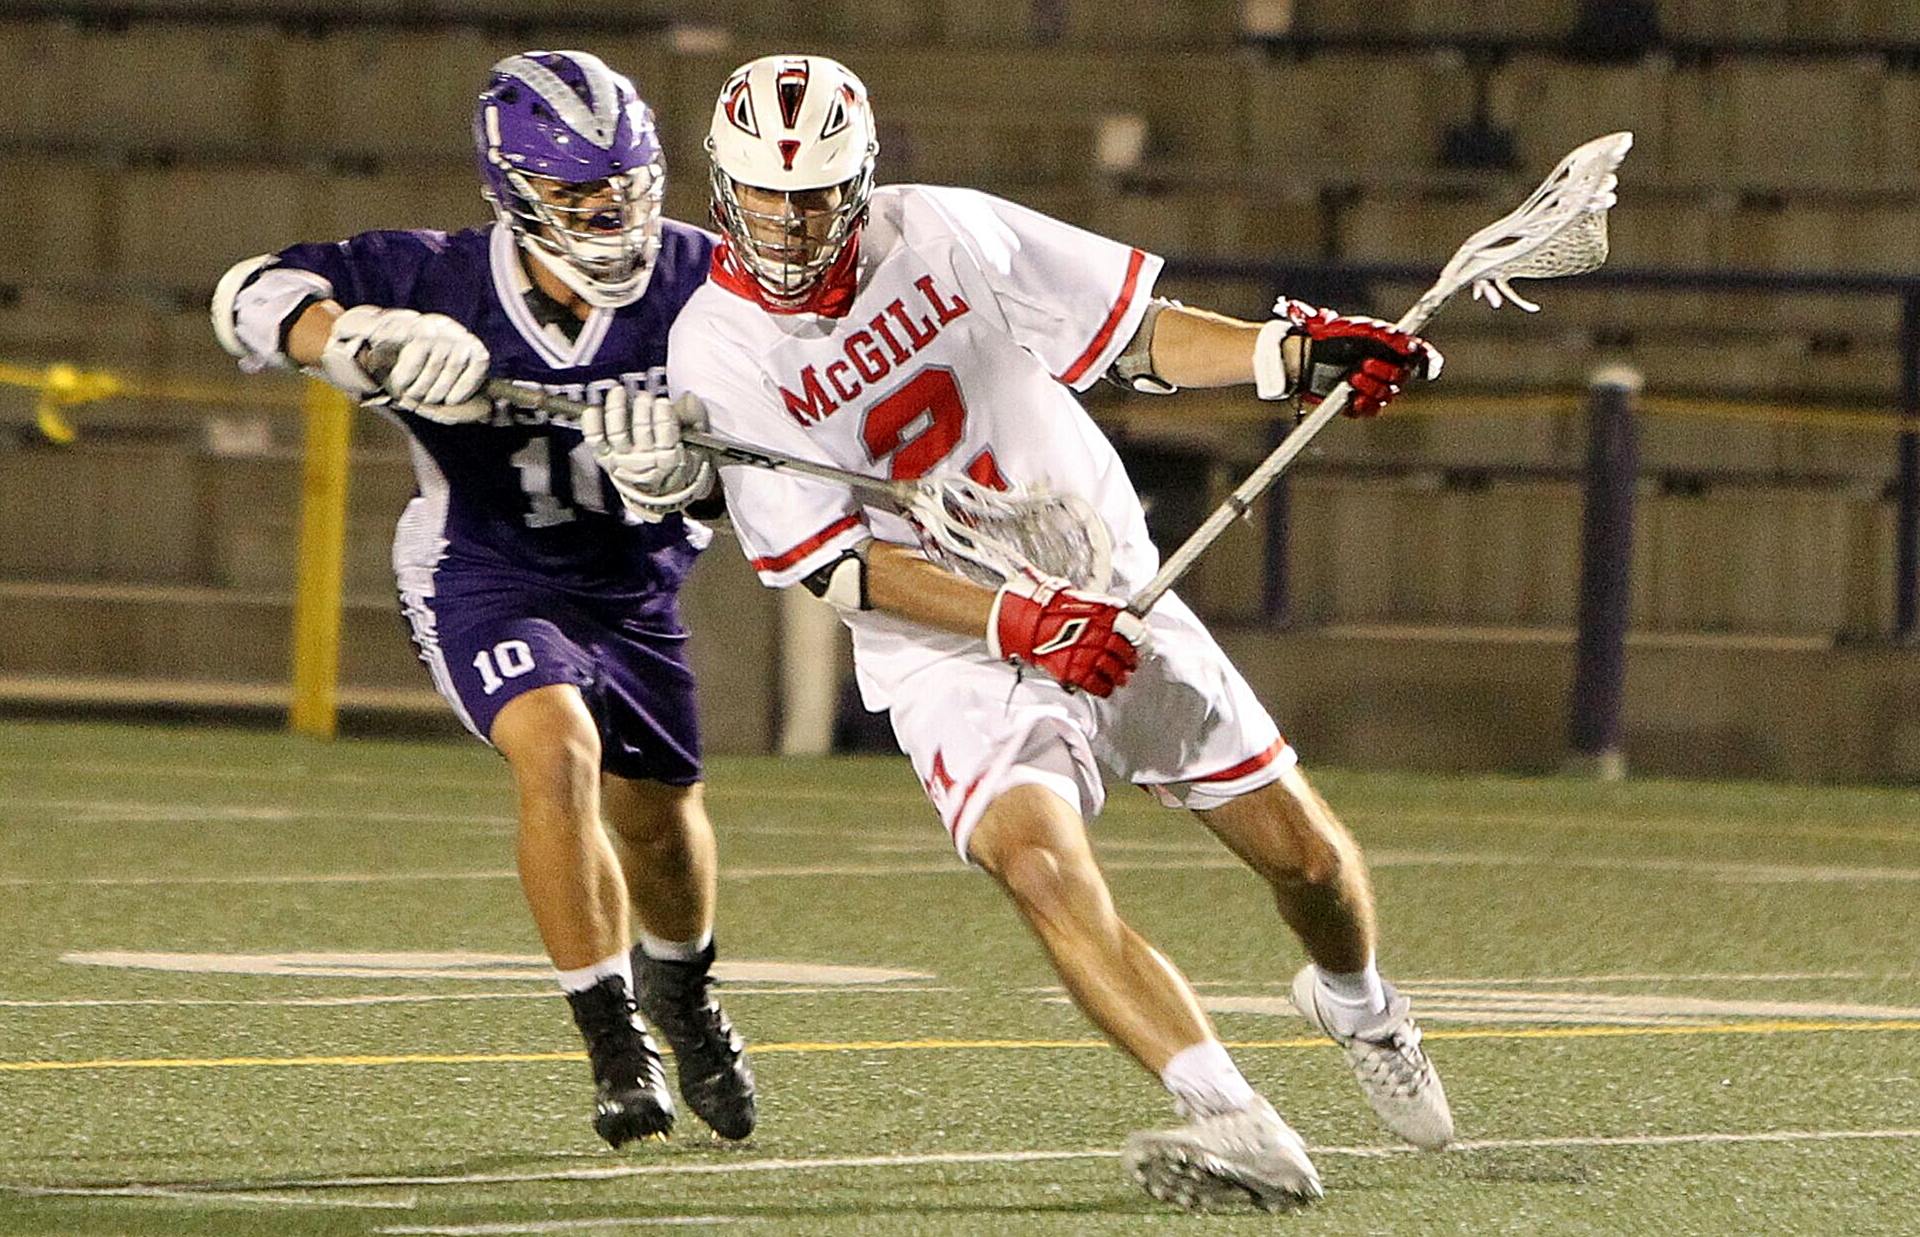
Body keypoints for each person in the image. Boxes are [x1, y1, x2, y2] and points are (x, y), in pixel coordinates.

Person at [595, 53, 1454, 1210]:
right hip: (954, 645)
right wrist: (1018, 623)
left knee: (1308, 862)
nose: (788, 224)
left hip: (1102, 584)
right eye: (764, 194)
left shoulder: (947, 229)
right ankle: (1234, 1117)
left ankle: (1358, 1004)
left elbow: (1134, 336)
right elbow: (832, 563)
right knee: (1039, 864)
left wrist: (1288, 356)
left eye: (812, 196)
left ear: (859, 185)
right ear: (723, 186)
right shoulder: (718, 344)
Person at [210, 50, 754, 1147]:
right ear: (511, 194)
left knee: (658, 829)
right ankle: (612, 1041)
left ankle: (683, 992)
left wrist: (708, 478)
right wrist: (353, 337)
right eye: (576, 195)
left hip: (637, 588)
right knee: (555, 749)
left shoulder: (711, 282)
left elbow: (795, 442)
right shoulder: (436, 277)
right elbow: (245, 295)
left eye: (623, 188)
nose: (607, 215)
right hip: (483, 570)